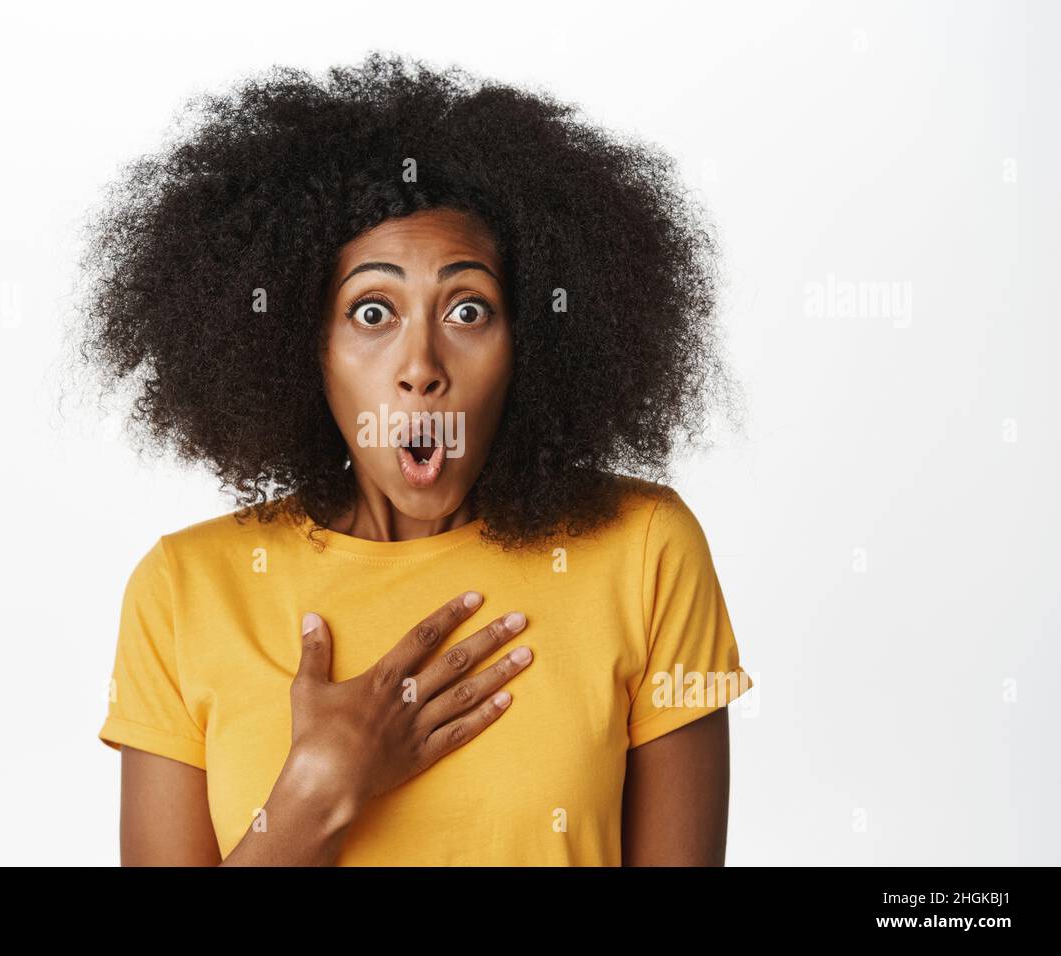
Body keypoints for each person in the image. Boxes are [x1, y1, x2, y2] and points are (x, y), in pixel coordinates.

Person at [80, 52, 752, 865]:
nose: (421, 364)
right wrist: (318, 789)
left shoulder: (644, 551)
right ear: (304, 346)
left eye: (469, 309)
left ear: (531, 344)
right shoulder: (184, 591)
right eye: (372, 311)